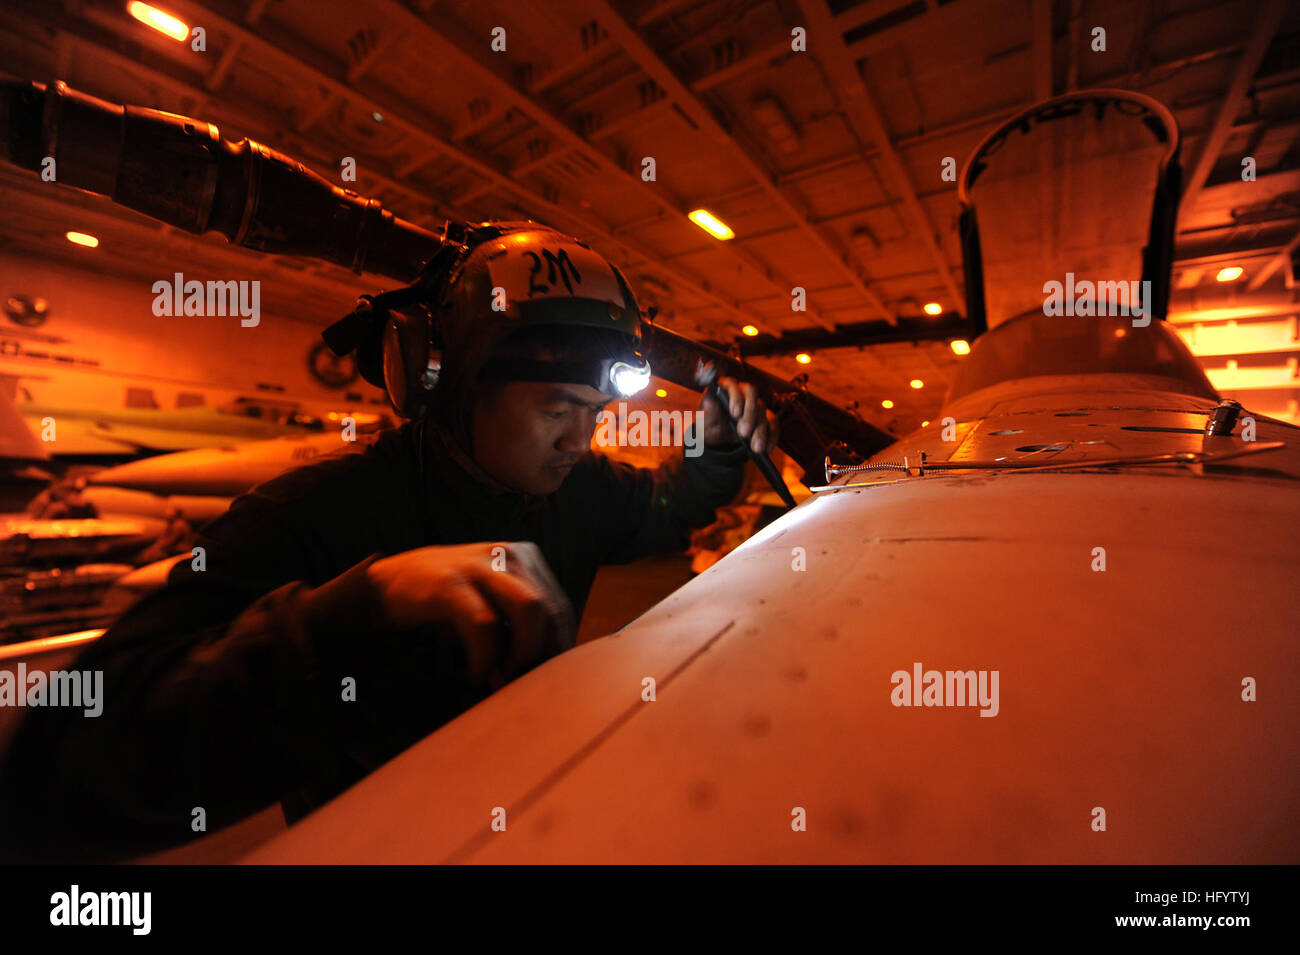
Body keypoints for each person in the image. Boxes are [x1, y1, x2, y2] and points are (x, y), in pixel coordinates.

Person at [0, 223, 777, 862]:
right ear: (448, 381)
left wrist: (714, 453)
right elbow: (65, 765)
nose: (583, 438)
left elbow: (664, 509)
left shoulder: (579, 489)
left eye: (598, 412)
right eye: (557, 410)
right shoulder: (316, 511)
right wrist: (349, 616)